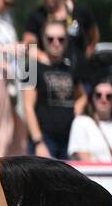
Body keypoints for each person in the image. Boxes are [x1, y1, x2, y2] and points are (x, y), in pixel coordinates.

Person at [21, 0, 99, 90]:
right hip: (50, 81)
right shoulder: (36, 16)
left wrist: (85, 57)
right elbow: (28, 46)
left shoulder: (80, 12)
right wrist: (46, 59)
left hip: (80, 80)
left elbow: (94, 36)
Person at [22, 24, 85, 159]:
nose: (56, 43)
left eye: (61, 39)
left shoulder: (71, 66)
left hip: (69, 139)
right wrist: (38, 142)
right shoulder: (31, 66)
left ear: (66, 41)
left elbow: (82, 96)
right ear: (44, 40)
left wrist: (75, 113)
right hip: (44, 140)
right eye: (51, 39)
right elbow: (27, 107)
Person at [67, 80, 112, 162]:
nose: (103, 99)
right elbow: (84, 157)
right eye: (98, 95)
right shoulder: (81, 122)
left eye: (109, 96)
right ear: (92, 98)